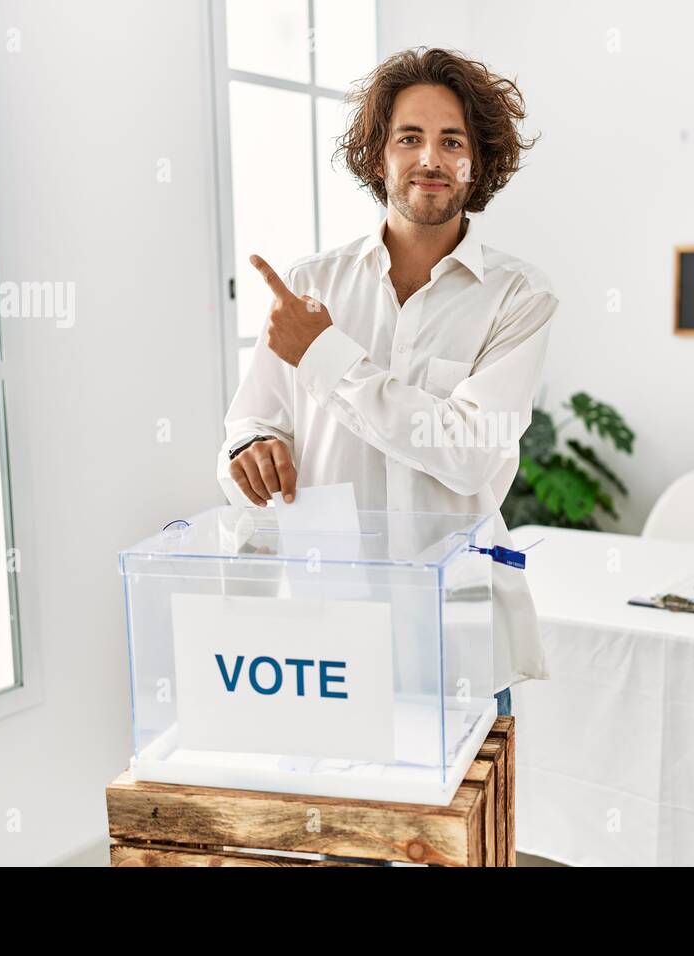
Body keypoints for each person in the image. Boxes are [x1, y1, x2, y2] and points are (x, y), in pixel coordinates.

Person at [216, 47, 557, 721]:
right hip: (325, 639)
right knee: (334, 826)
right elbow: (250, 427)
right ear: (378, 156)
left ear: (478, 162)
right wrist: (249, 452)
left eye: (452, 141)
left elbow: (468, 454)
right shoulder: (311, 285)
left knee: (465, 827)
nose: (430, 159)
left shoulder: (519, 298)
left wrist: (324, 355)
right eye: (409, 138)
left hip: (457, 641)